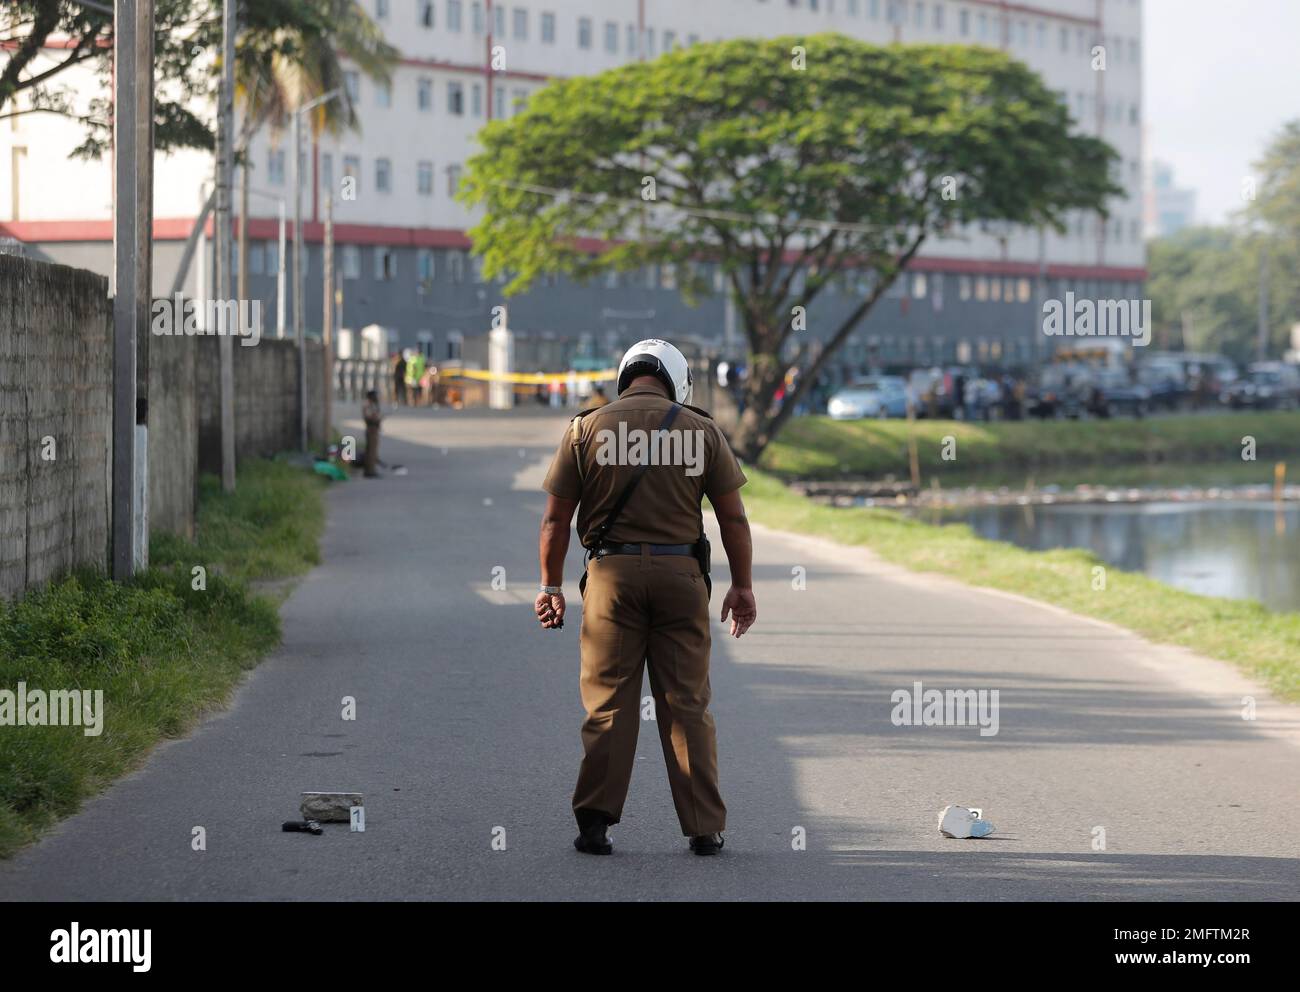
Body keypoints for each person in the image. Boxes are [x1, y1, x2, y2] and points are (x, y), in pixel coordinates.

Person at [537, 339, 757, 857]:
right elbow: (733, 518)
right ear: (675, 379)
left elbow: (555, 520)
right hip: (681, 580)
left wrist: (550, 586)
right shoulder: (701, 430)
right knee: (687, 705)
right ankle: (704, 828)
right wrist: (742, 586)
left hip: (610, 579)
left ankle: (594, 823)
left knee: (608, 703)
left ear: (625, 377)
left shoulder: (585, 428)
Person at [361, 389, 382, 478]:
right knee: (371, 451)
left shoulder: (372, 404)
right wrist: (376, 418)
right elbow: (369, 417)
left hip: (374, 429)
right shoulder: (367, 405)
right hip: (371, 429)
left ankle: (371, 469)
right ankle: (369, 470)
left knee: (372, 450)